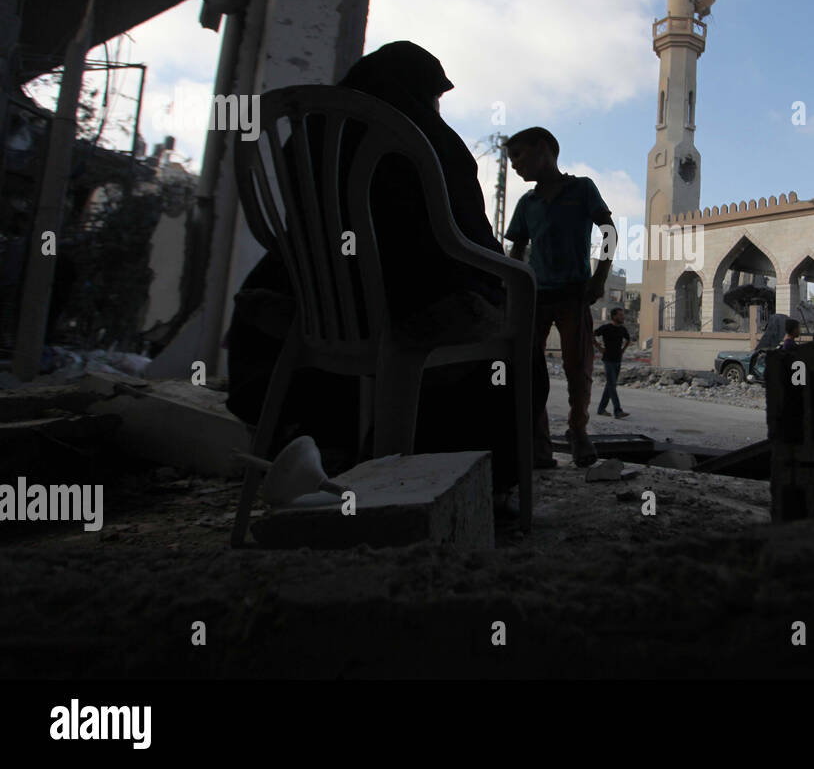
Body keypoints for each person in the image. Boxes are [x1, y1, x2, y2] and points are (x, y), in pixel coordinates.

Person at [225, 41, 521, 517]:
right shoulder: (427, 138)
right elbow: (469, 241)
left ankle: (325, 444)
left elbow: (293, 231)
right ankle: (496, 482)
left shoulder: (306, 133)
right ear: (423, 92)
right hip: (414, 315)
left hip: (316, 315)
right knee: (513, 314)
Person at [505, 126, 617, 469]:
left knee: (577, 367)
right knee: (530, 369)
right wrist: (513, 287)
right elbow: (517, 250)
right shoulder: (527, 203)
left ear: (543, 149)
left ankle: (577, 432)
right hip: (536, 297)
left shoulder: (582, 189)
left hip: (574, 294)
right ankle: (538, 443)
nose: (514, 167)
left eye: (518, 156)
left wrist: (599, 277)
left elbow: (608, 231)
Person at [595, 307, 632, 419]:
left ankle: (601, 409)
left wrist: (622, 350)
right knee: (612, 385)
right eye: (620, 315)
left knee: (609, 385)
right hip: (608, 359)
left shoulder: (622, 329)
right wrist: (599, 347)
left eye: (622, 315)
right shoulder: (606, 328)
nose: (622, 317)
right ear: (614, 316)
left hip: (617, 360)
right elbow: (592, 335)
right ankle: (617, 410)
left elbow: (628, 339)